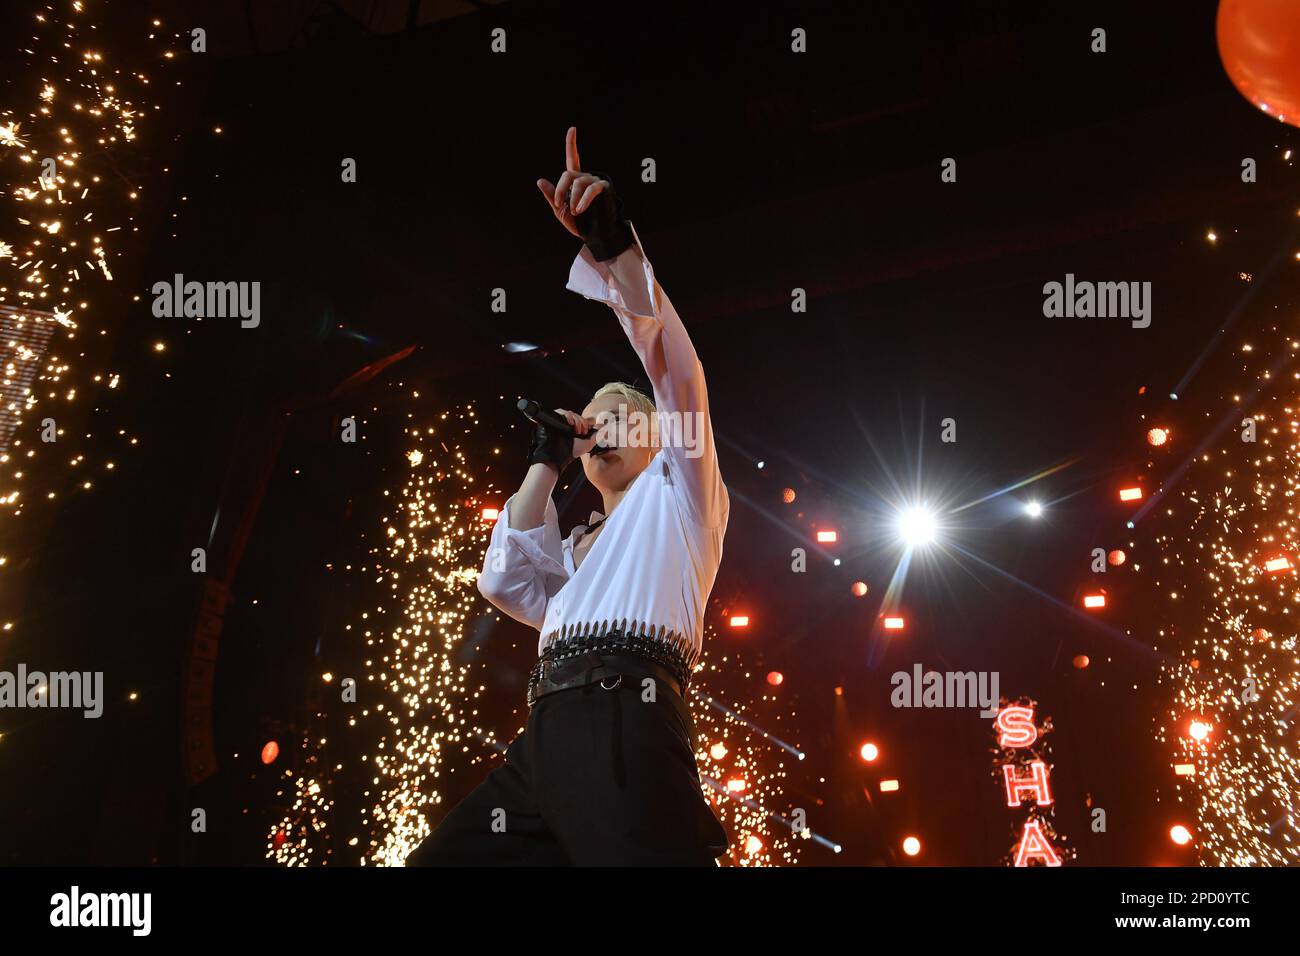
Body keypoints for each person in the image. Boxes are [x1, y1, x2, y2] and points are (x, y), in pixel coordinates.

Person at [407, 127, 729, 866]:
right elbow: (506, 581)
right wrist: (547, 461)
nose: (600, 424)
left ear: (657, 435)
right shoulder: (580, 552)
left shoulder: (680, 495)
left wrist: (615, 249)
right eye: (593, 416)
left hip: (624, 707)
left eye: (620, 413)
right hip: (546, 733)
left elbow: (678, 374)